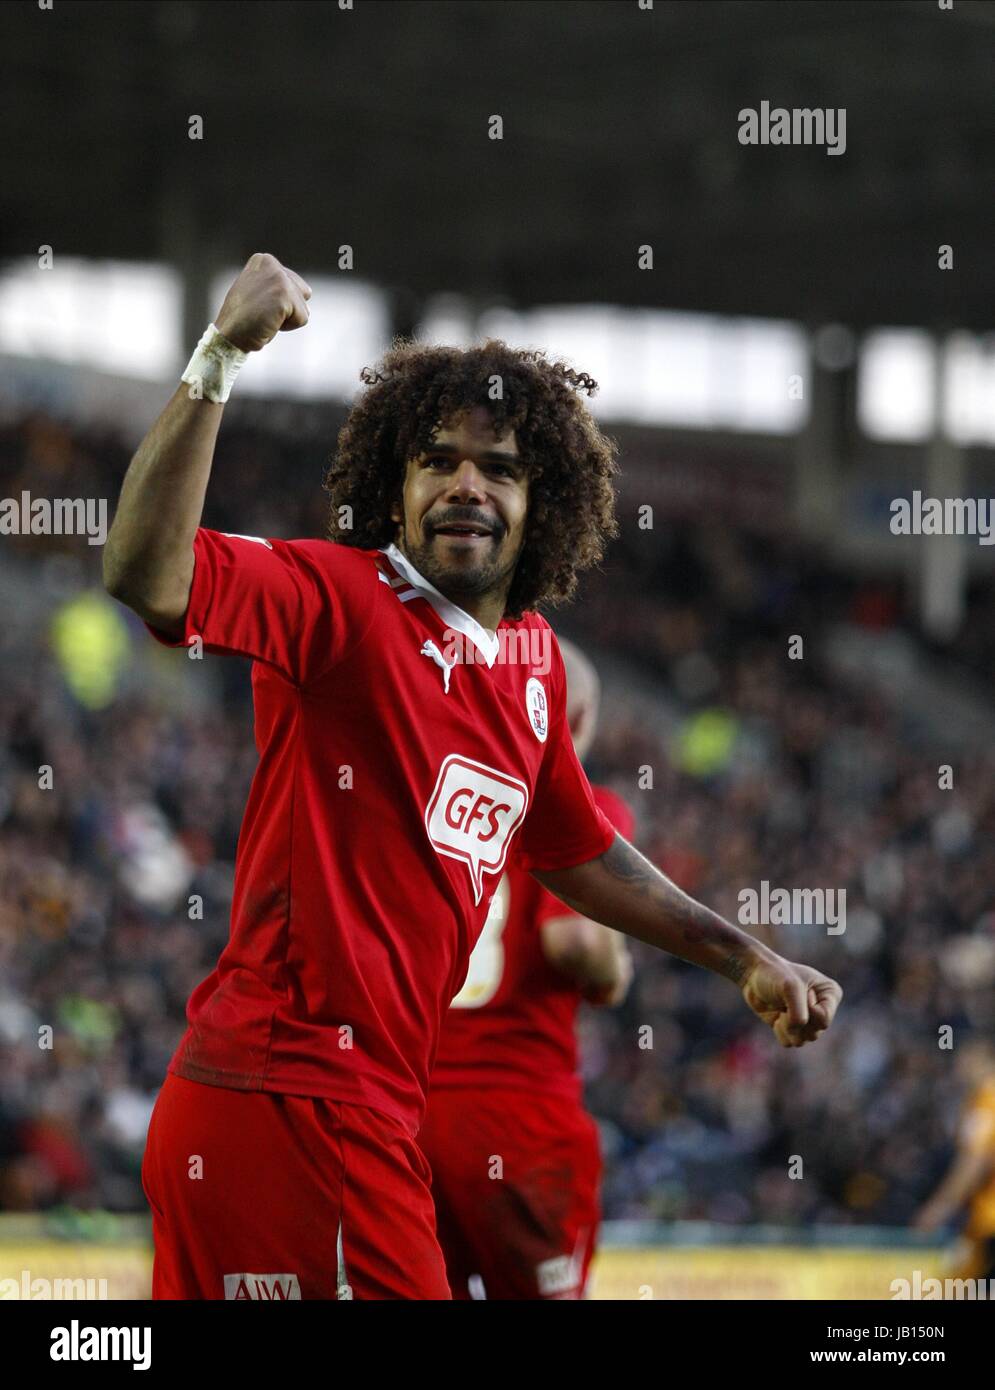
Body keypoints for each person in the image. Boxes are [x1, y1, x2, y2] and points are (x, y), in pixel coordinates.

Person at [104, 252, 842, 1300]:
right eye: (436, 461)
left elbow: (577, 847)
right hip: (294, 1098)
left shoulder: (533, 666)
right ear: (391, 487)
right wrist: (218, 357)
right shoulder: (338, 601)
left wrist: (744, 958)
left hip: (347, 1110)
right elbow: (147, 573)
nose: (465, 485)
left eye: (497, 468)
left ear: (542, 500)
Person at [421, 638, 634, 1299]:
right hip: (516, 1106)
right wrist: (614, 971)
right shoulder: (583, 806)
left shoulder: (434, 798)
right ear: (578, 716)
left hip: (406, 1113)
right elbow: (573, 943)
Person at [914, 1037, 995, 1283]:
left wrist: (940, 1207)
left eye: (965, 1060)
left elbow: (973, 1162)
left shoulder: (985, 1101)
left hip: (990, 1221)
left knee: (955, 1288)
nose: (959, 1068)